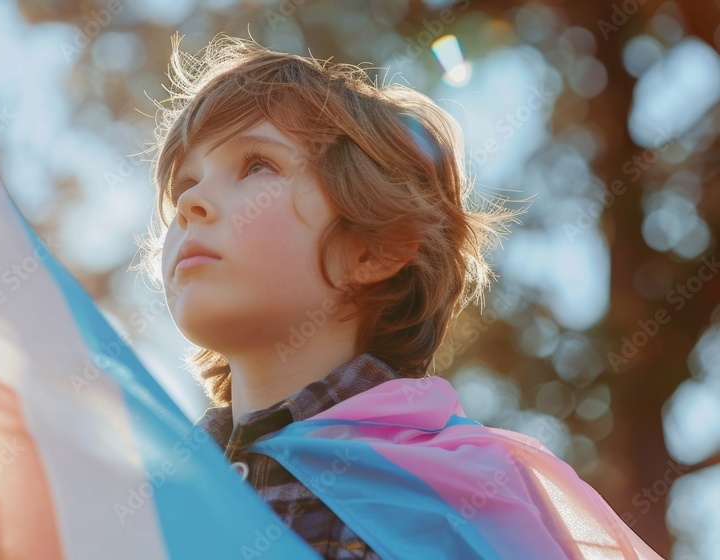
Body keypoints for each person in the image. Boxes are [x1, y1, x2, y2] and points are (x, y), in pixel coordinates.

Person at [135, 34, 662, 559]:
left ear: (373, 249)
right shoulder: (150, 492)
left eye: (257, 166)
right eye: (185, 182)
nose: (192, 203)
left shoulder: (464, 496)